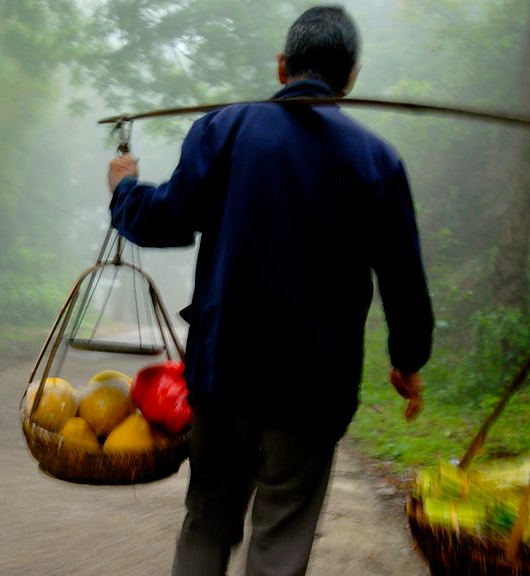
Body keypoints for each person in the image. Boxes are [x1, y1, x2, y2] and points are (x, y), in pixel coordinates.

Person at [106, 6, 434, 576]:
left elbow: (169, 220)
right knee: (282, 537)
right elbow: (402, 275)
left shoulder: (224, 129)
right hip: (313, 387)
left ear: (283, 66)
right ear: (350, 76)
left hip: (224, 371)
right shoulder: (377, 161)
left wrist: (125, 190)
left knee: (208, 517)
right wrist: (408, 358)